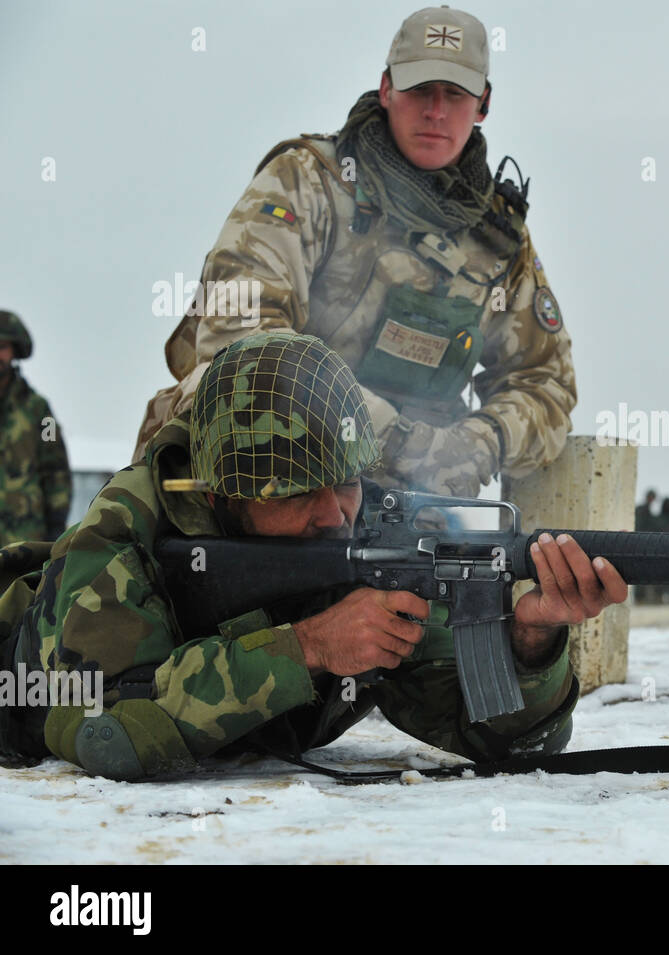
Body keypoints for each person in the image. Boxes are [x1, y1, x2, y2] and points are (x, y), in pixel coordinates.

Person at [0, 333, 624, 779]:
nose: (334, 515)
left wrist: (530, 643)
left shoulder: (372, 536)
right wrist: (307, 648)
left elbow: (505, 743)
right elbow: (103, 731)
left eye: (347, 483)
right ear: (223, 493)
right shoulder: (121, 539)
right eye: (296, 492)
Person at [133, 7, 575, 503]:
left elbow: (545, 383)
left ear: (483, 104)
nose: (436, 110)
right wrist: (397, 441)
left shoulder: (498, 241)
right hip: (260, 478)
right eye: (419, 89)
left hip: (406, 503)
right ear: (386, 89)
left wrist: (482, 442)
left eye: (455, 94)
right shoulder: (306, 182)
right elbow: (243, 346)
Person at [0, 310, 70, 547]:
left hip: (23, 539)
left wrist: (56, 527)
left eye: (2, 346)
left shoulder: (38, 410)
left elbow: (56, 467)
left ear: (15, 351)